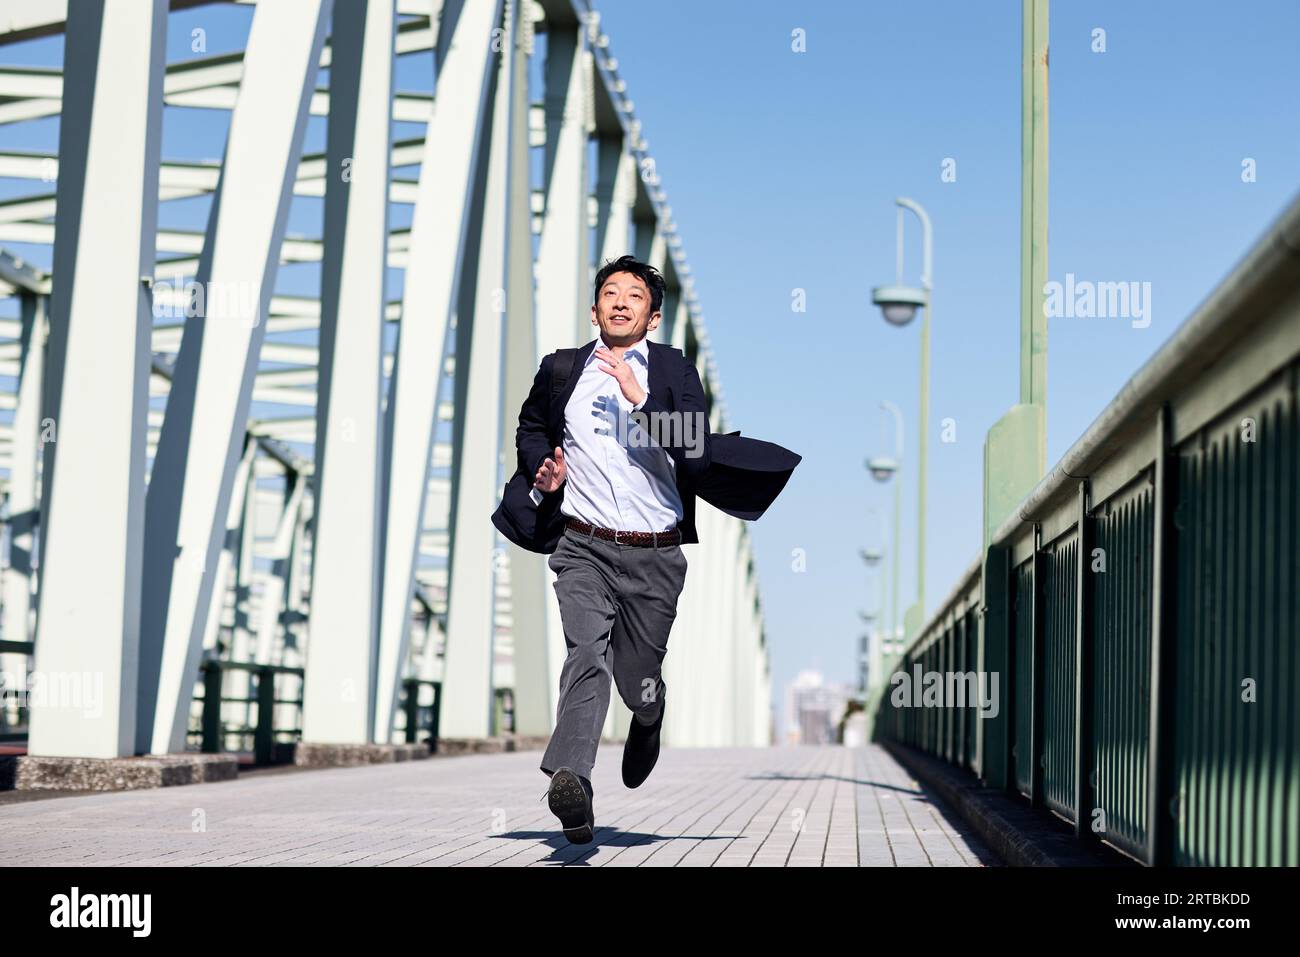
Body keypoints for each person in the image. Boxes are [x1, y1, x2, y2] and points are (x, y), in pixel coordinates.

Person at [491, 255, 800, 844]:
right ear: (595, 308)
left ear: (653, 317)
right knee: (586, 652)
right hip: (582, 543)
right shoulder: (562, 370)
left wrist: (639, 397)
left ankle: (649, 715)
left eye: (634, 295)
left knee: (637, 675)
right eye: (610, 292)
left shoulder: (673, 371)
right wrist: (544, 470)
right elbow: (532, 427)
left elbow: (695, 451)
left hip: (654, 552)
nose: (621, 301)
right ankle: (571, 780)